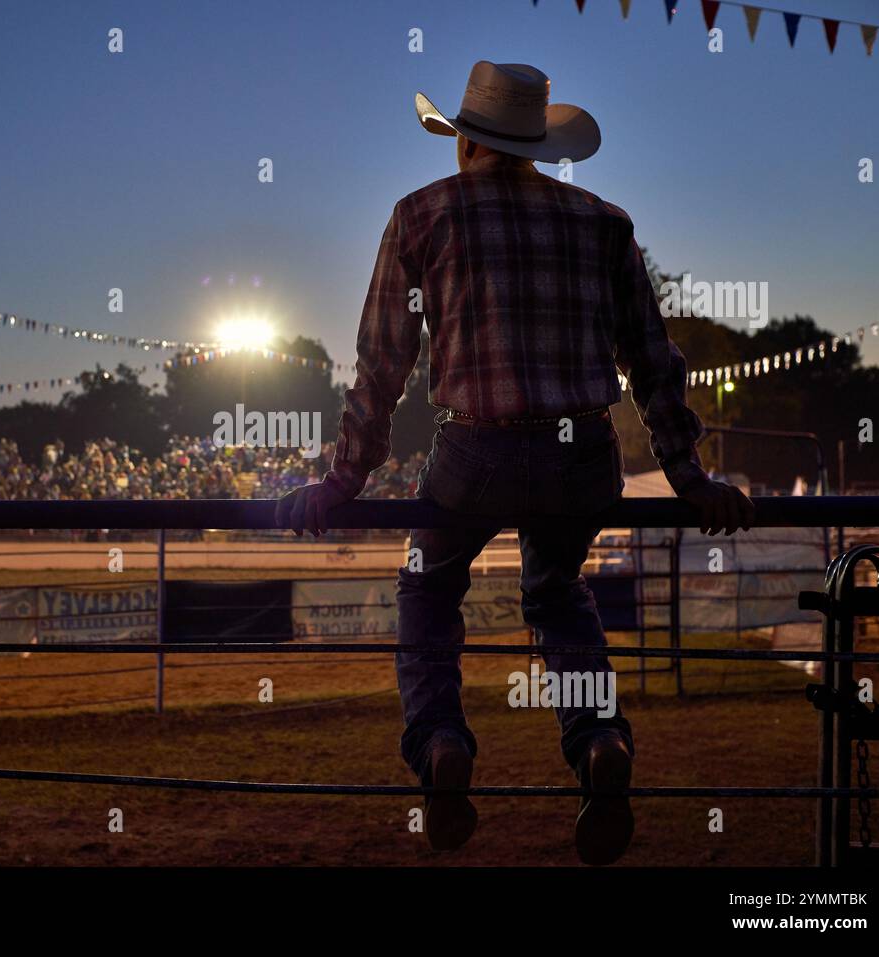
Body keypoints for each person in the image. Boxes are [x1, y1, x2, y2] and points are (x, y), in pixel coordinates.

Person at [276, 61, 754, 864]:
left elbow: (382, 364)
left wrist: (342, 480)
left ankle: (438, 743)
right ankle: (598, 735)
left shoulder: (422, 214)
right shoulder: (604, 222)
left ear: (465, 141)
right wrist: (690, 478)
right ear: (536, 144)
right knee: (559, 593)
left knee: (428, 583)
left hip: (476, 448)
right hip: (582, 450)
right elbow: (653, 362)